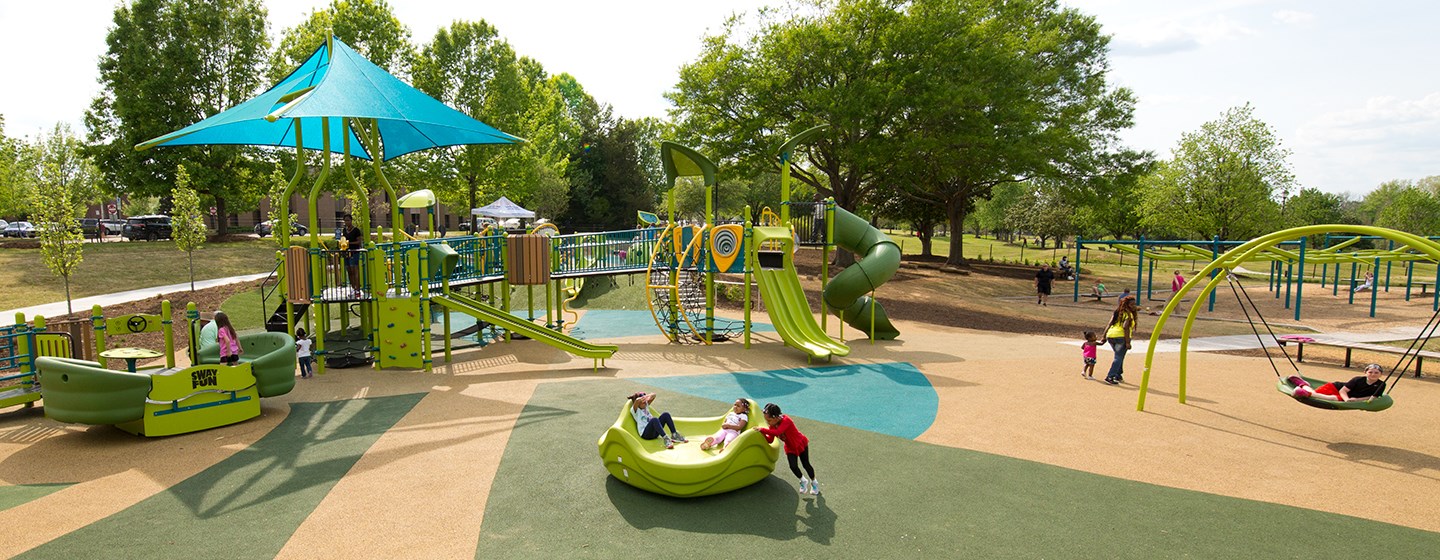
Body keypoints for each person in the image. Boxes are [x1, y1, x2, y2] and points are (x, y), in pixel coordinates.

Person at [755, 403, 819, 495]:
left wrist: (762, 429)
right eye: (766, 420)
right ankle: (803, 480)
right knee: (793, 466)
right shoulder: (772, 426)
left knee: (806, 464)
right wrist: (761, 434)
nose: (768, 423)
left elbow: (778, 431)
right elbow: (770, 439)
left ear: (776, 417)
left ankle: (814, 482)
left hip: (800, 443)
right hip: (790, 447)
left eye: (769, 420)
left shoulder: (786, 420)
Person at [1291, 364, 1387, 402]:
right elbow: (1343, 390)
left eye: (1376, 373)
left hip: (1349, 396)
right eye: (1370, 372)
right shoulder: (1358, 379)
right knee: (1316, 394)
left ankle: (1306, 392)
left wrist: (1357, 400)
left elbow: (1372, 397)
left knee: (1333, 398)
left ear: (1381, 374)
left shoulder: (1381, 385)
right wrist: (1347, 400)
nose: (1373, 375)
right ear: (1365, 373)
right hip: (1336, 388)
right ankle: (1303, 384)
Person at [1101, 295, 1138, 385]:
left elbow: (1109, 324)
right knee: (1118, 357)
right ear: (1127, 305)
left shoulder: (1117, 312)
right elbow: (1125, 327)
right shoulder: (1128, 315)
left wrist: (1104, 336)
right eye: (1132, 305)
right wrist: (1128, 342)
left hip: (1111, 336)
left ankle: (1118, 374)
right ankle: (1110, 376)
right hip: (1121, 337)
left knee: (1119, 356)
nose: (1134, 306)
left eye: (1134, 304)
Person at [343, 216, 363, 296]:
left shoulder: (356, 230)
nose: (346, 222)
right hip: (347, 252)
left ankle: (357, 289)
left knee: (354, 270)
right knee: (349, 271)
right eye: (345, 221)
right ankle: (352, 287)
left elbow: (359, 242)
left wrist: (349, 243)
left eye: (348, 220)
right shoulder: (344, 230)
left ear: (351, 220)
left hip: (354, 252)